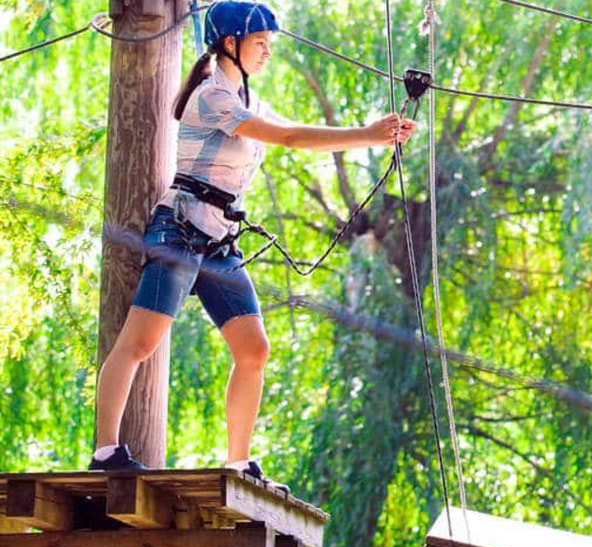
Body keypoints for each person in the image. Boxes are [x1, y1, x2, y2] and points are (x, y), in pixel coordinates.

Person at [89, 1, 416, 487]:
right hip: (180, 230)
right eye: (260, 43)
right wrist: (367, 135)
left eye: (268, 45)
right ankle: (105, 452)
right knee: (139, 343)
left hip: (218, 238)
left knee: (253, 349)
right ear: (229, 44)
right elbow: (289, 137)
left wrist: (375, 137)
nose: (267, 52)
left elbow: (294, 131)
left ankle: (238, 464)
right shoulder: (211, 97)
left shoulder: (245, 100)